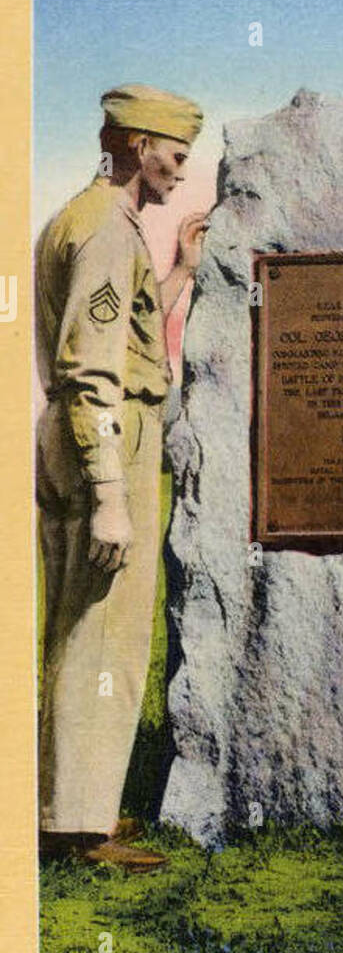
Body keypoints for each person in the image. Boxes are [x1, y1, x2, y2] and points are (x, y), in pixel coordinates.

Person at [36, 83, 208, 871]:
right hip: (106, 442)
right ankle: (75, 828)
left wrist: (180, 273)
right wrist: (110, 497)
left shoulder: (101, 220)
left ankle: (76, 806)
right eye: (175, 156)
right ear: (139, 146)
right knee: (97, 630)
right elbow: (92, 374)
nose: (180, 171)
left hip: (97, 436)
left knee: (90, 626)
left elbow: (128, 334)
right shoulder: (105, 228)